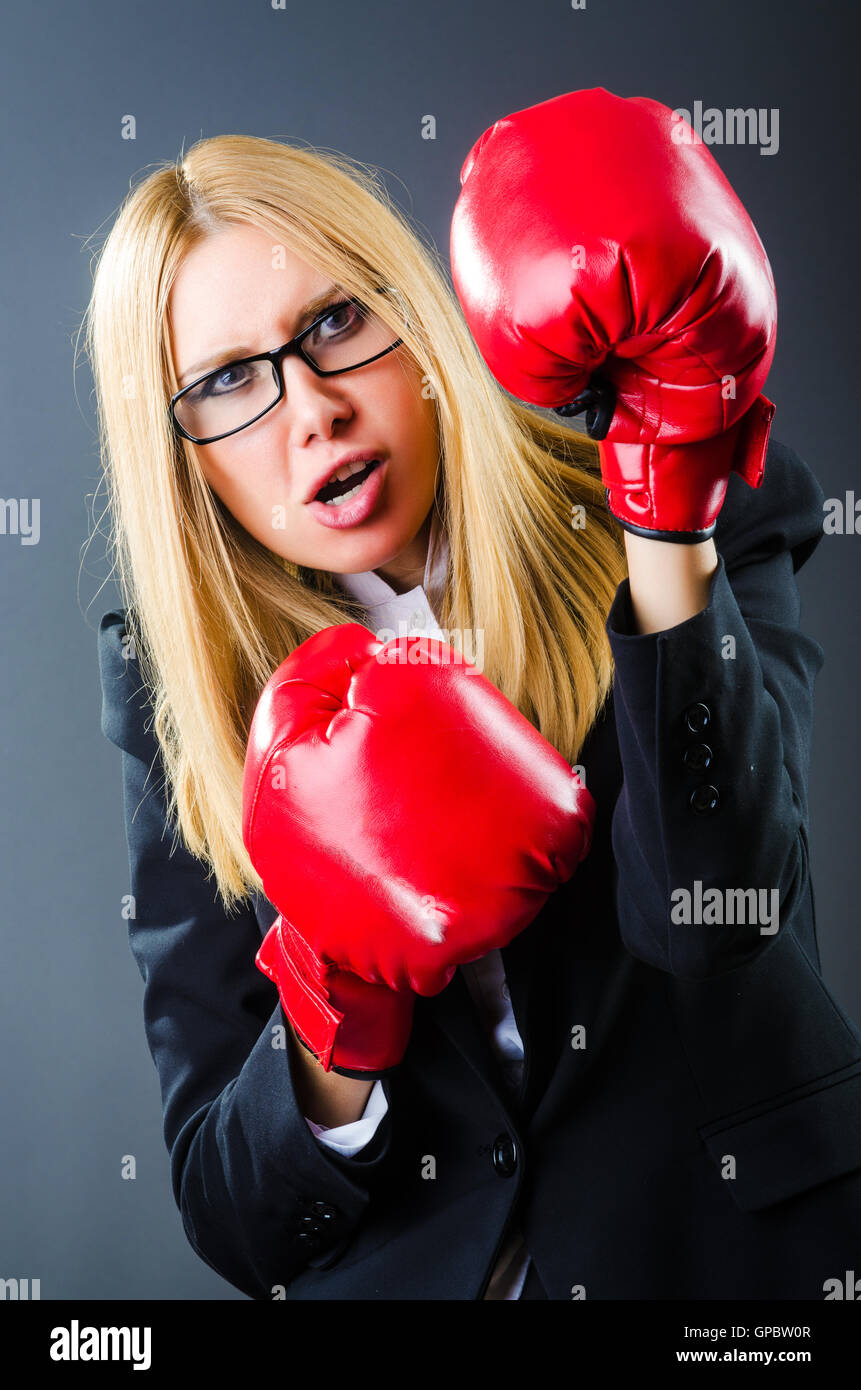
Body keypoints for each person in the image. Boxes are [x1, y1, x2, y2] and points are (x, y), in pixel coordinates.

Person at [89, 91, 861, 1302]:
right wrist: (332, 996)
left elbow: (731, 916)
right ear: (176, 451)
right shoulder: (171, 682)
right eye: (231, 380)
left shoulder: (659, 494)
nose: (312, 408)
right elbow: (233, 1217)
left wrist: (665, 508)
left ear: (415, 304)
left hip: (724, 1273)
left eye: (336, 320)